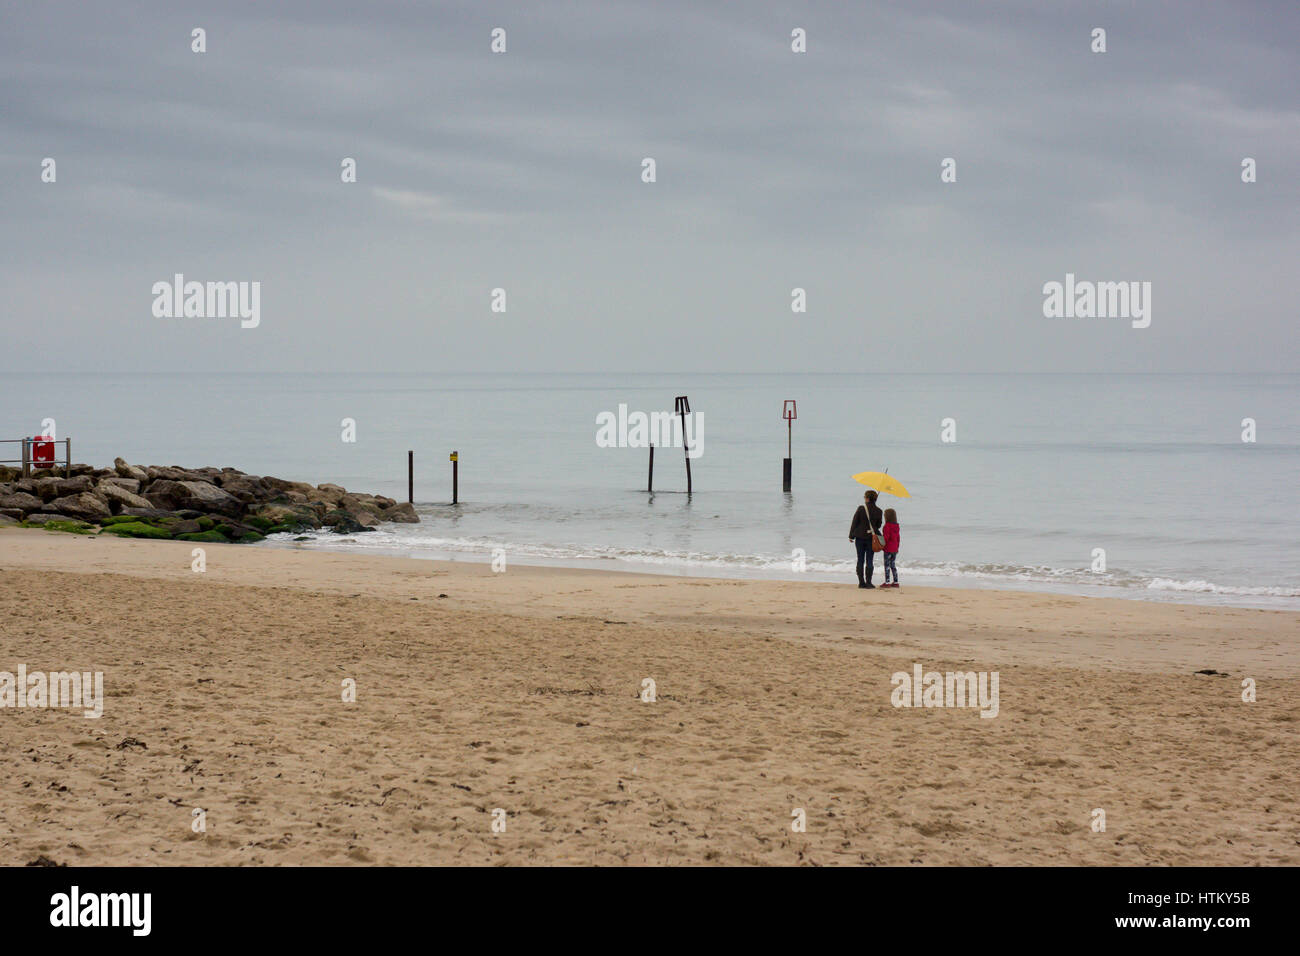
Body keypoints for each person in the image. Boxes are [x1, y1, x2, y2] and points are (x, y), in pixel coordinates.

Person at [849, 489, 884, 588]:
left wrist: (851, 535)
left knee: (860, 559)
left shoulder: (861, 508)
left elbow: (854, 522)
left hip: (859, 537)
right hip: (871, 538)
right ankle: (869, 582)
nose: (864, 499)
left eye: (865, 497)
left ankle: (861, 582)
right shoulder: (879, 511)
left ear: (868, 499)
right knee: (869, 559)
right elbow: (878, 525)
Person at [882, 508, 901, 588]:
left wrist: (881, 543)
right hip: (894, 549)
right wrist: (897, 547)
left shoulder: (887, 526)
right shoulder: (896, 526)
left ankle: (887, 582)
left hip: (888, 549)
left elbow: (886, 538)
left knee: (887, 565)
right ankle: (896, 581)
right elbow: (898, 538)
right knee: (893, 565)